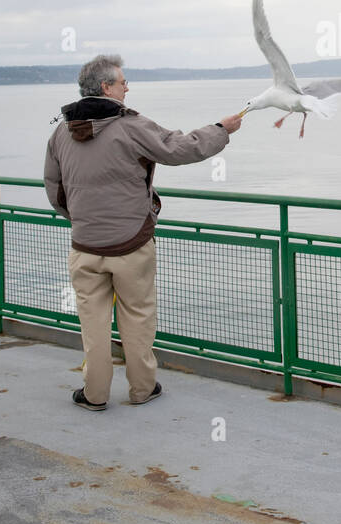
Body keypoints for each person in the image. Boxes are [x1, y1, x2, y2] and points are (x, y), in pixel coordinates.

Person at [43, 53, 242, 411]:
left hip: (85, 245)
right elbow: (181, 148)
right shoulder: (130, 126)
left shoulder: (61, 131)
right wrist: (221, 130)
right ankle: (142, 389)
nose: (127, 86)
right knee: (137, 317)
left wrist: (79, 220)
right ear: (107, 87)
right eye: (122, 82)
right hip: (131, 244)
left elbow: (55, 189)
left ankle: (94, 394)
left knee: (93, 324)